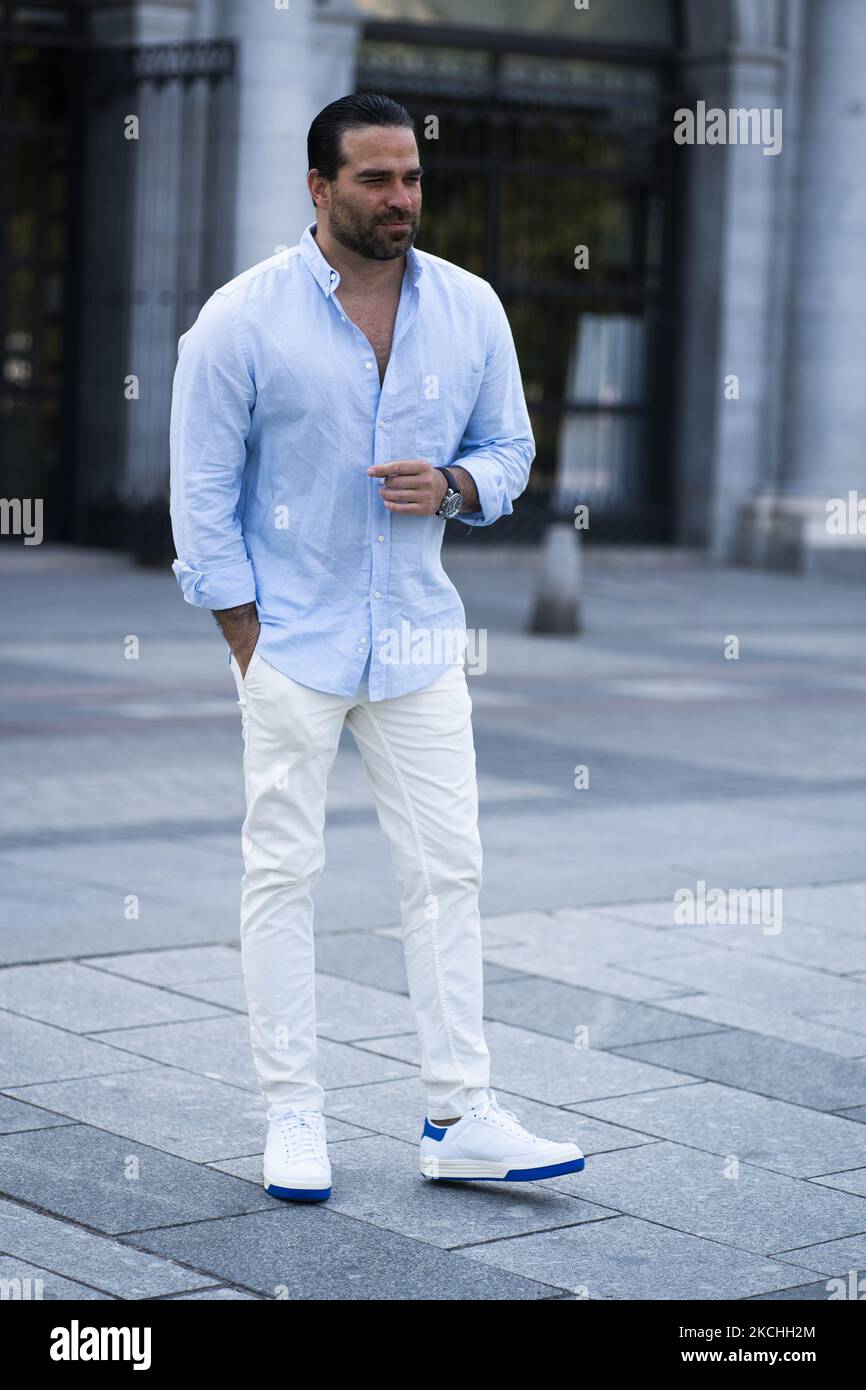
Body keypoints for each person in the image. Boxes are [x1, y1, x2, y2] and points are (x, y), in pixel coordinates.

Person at [169, 93, 584, 1201]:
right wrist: (248, 641)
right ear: (318, 188)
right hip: (292, 644)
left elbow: (510, 447)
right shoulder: (239, 321)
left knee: (447, 872)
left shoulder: (470, 309)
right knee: (281, 872)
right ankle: (291, 1112)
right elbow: (200, 498)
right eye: (374, 180)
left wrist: (453, 485)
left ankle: (457, 1115)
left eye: (410, 178)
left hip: (415, 642)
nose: (399, 198)